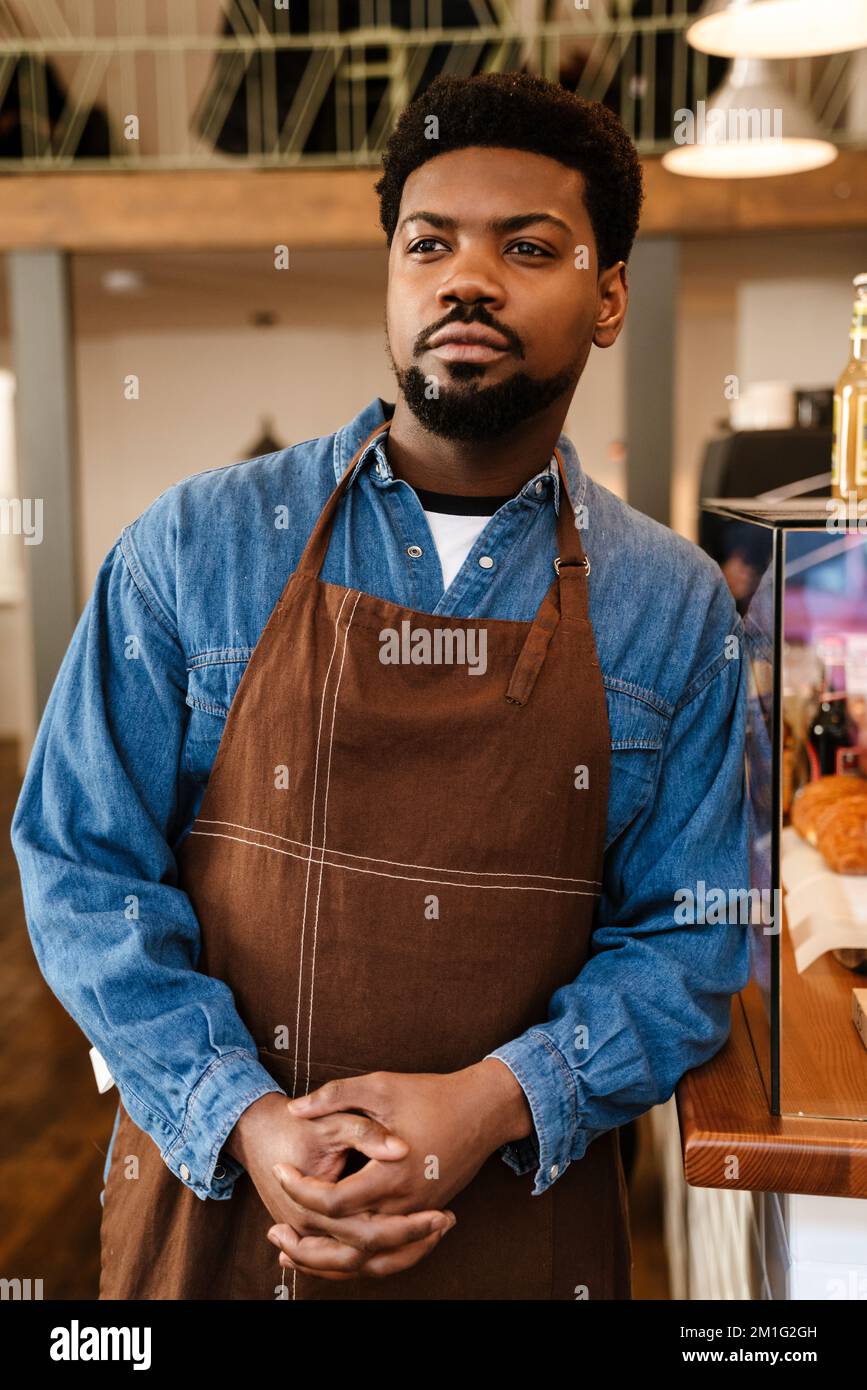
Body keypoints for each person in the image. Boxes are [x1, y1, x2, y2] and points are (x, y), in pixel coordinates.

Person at [11, 71, 751, 1301]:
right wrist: (241, 1113)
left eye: (527, 245)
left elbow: (693, 941)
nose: (469, 278)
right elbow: (80, 866)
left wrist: (492, 1102)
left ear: (610, 294)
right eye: (429, 243)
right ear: (394, 280)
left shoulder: (669, 604)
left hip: (516, 1232)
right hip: (222, 1224)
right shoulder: (196, 545)